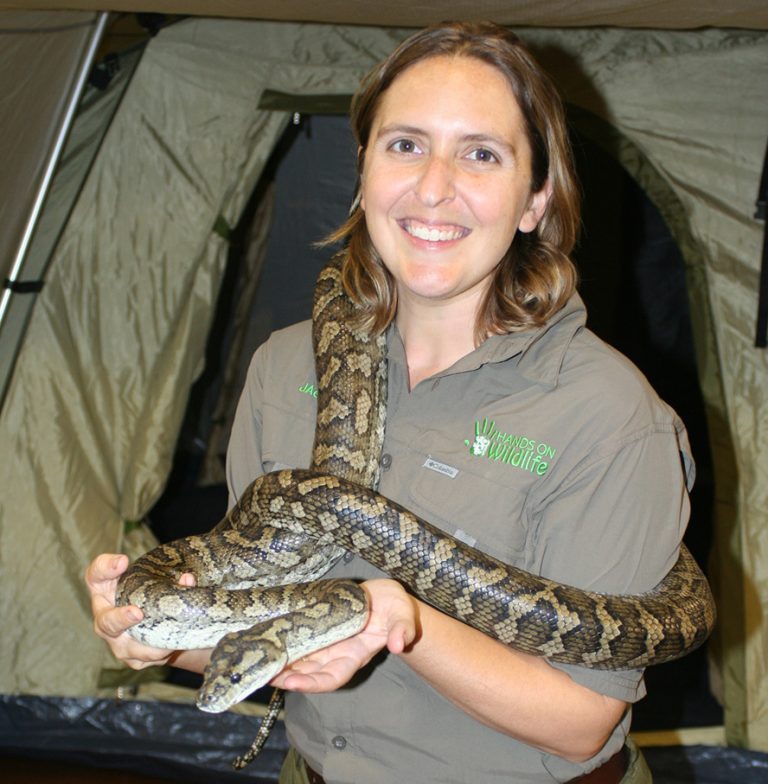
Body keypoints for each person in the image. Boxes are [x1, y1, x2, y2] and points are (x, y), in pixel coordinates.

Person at [86, 21, 694, 783]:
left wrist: (397, 618)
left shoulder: (610, 415)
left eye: (481, 153)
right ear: (365, 172)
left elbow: (581, 726)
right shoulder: (281, 367)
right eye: (405, 145)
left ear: (536, 198)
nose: (433, 186)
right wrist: (155, 634)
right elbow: (276, 626)